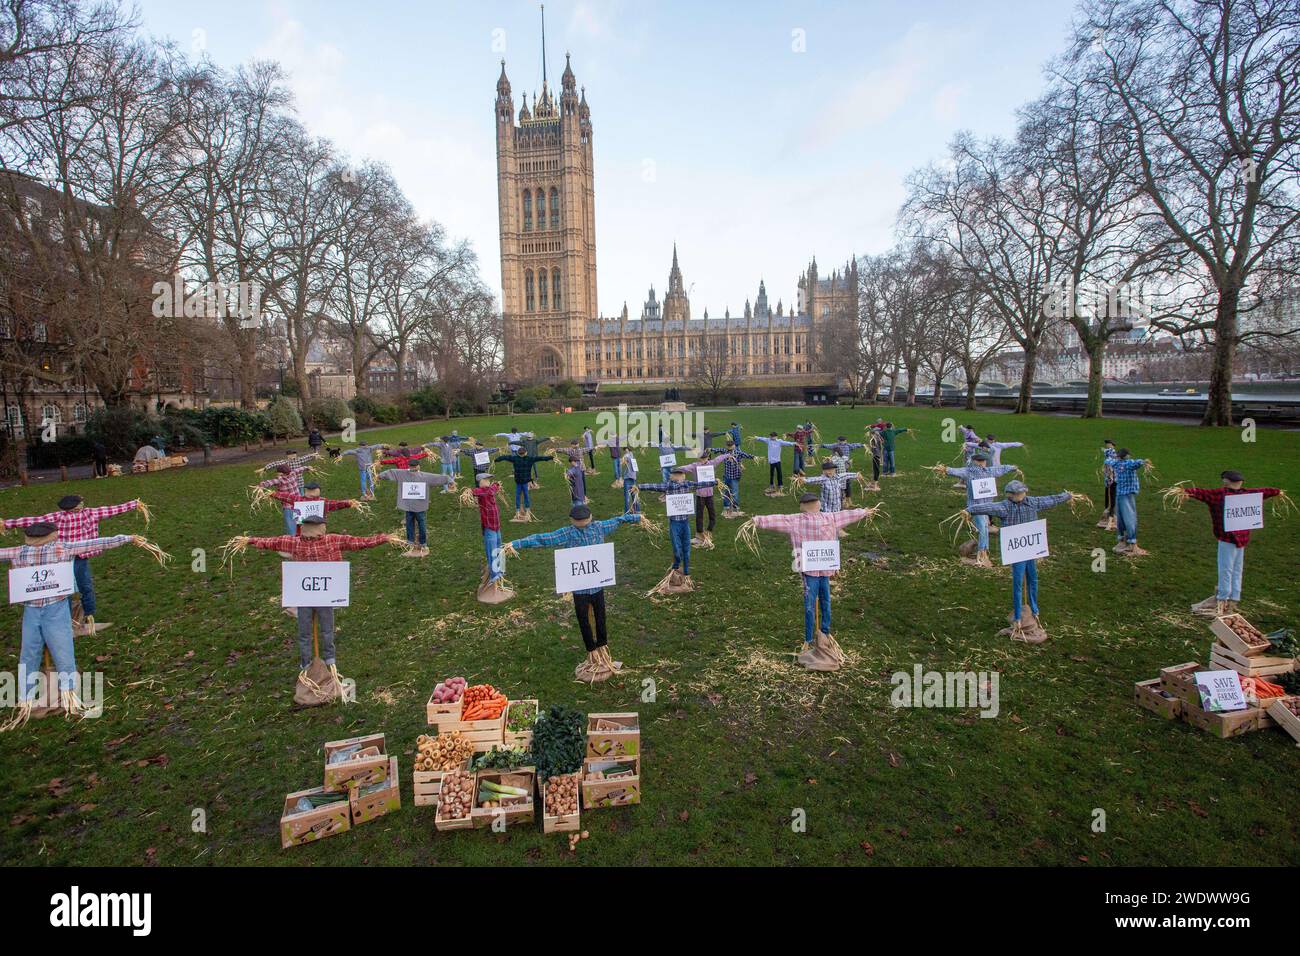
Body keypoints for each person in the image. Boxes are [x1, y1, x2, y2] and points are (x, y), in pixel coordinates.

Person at [0, 524, 161, 728]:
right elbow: (97, 542)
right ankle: (63, 696)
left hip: (35, 611)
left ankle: (29, 699)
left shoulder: (19, 552)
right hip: (53, 610)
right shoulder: (62, 548)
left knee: (30, 653)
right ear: (52, 535)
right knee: (62, 651)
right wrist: (128, 537)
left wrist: (128, 538)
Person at [231, 516, 401, 696]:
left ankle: (316, 668)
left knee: (308, 632)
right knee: (324, 631)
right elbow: (358, 543)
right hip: (318, 596)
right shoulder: (329, 540)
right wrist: (383, 538)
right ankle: (318, 668)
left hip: (310, 596)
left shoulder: (296, 543)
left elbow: (272, 542)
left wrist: (250, 541)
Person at [507, 505, 642, 682]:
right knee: (594, 619)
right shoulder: (597, 527)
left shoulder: (572, 531)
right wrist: (637, 518)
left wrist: (517, 543)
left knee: (590, 620)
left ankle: (597, 651)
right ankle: (595, 652)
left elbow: (543, 539)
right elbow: (618, 520)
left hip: (587, 587)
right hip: (590, 586)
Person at [747, 493, 876, 671]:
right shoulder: (824, 518)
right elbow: (848, 514)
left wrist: (757, 520)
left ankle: (820, 636)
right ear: (817, 504)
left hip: (819, 570)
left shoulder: (803, 520)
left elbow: (777, 519)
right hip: (815, 571)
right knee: (818, 602)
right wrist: (864, 512)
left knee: (815, 602)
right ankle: (814, 638)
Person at [3, 495, 145, 634]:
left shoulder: (88, 514)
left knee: (84, 586)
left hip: (79, 557)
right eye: (78, 506)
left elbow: (112, 509)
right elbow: (32, 521)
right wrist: (7, 524)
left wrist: (132, 505)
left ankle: (88, 619)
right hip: (62, 559)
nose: (81, 507)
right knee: (67, 588)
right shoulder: (59, 517)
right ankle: (70, 622)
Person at [966, 480, 1077, 644]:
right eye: (1015, 494)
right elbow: (987, 507)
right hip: (1016, 552)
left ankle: (1034, 610)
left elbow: (1050, 500)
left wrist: (1066, 496)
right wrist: (970, 510)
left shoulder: (1033, 502)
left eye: (1020, 493)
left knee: (1033, 579)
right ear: (1010, 495)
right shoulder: (1005, 507)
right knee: (1018, 583)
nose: (1018, 496)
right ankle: (1018, 617)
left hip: (1030, 549)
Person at [1173, 470, 1285, 618]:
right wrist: (1277, 492)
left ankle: (1222, 600)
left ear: (1225, 481)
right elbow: (1265, 492)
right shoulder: (1249, 495)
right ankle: (1233, 600)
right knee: (1237, 569)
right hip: (1242, 540)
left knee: (1225, 569)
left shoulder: (1220, 495)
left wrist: (1185, 491)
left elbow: (1202, 493)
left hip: (1227, 540)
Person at [931, 450, 1018, 567]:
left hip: (982, 507)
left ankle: (982, 554)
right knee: (983, 529)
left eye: (983, 461)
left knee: (984, 529)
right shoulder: (984, 471)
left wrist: (943, 469)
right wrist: (1012, 467)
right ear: (976, 462)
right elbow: (1002, 468)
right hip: (979, 508)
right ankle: (982, 556)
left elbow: (955, 471)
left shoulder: (974, 471)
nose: (982, 463)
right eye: (980, 461)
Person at [635, 466, 714, 591]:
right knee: (677, 549)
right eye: (676, 474)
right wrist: (640, 486)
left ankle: (686, 572)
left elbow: (701, 484)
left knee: (687, 548)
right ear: (672, 476)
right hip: (674, 524)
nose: (678, 476)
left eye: (680, 474)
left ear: (683, 476)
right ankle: (676, 565)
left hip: (685, 523)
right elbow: (654, 486)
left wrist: (714, 482)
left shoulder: (687, 484)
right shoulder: (669, 486)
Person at [376, 458, 454, 554]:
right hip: (419, 506)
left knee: (410, 523)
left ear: (409, 466)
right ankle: (422, 543)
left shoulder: (402, 474)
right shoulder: (424, 476)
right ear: (418, 466)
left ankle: (411, 541)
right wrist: (449, 480)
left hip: (408, 505)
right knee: (420, 524)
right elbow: (438, 478)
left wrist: (380, 476)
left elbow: (391, 472)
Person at [469, 472, 512, 603]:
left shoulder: (487, 490)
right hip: (490, 529)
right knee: (492, 553)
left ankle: (501, 575)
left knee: (499, 551)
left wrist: (496, 485)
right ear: (481, 481)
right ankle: (494, 580)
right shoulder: (483, 491)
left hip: (496, 527)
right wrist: (495, 485)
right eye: (487, 479)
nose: (489, 481)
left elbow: (494, 488)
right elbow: (482, 491)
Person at [679, 448, 732, 548]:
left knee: (712, 514)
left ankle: (708, 532)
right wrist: (676, 469)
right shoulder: (695, 466)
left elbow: (719, 458)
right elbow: (685, 468)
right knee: (699, 515)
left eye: (705, 458)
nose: (703, 460)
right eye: (702, 458)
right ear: (699, 458)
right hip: (700, 495)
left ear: (707, 457)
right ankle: (699, 534)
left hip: (710, 494)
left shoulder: (711, 463)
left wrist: (728, 455)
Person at [1109, 448, 1151, 556]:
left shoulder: (1116, 464)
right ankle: (1132, 544)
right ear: (1127, 456)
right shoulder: (1129, 464)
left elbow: (1108, 460)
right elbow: (1137, 463)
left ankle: (1121, 542)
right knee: (1130, 518)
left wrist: (1109, 453)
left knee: (1121, 519)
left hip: (1119, 495)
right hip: (1127, 496)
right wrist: (1144, 461)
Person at [801, 459, 861, 535]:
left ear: (835, 470)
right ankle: (825, 531)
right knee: (826, 520)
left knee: (837, 518)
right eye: (827, 470)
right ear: (823, 471)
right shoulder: (823, 479)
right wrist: (804, 480)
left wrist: (856, 475)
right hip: (827, 506)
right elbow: (814, 479)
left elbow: (846, 475)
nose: (830, 471)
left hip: (837, 505)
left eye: (832, 470)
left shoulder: (838, 477)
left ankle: (838, 530)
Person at [268, 482, 360, 531]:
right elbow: (335, 504)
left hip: (302, 528)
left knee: (301, 540)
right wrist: (347, 503)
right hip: (318, 528)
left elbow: (286, 497)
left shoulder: (298, 499)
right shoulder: (322, 501)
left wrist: (273, 494)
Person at [494, 448, 552, 521]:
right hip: (525, 481)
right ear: (526, 453)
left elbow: (505, 457)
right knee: (526, 495)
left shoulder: (514, 458)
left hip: (518, 481)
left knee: (517, 496)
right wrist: (550, 457)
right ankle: (527, 511)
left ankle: (518, 511)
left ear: (518, 453)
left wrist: (497, 459)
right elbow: (540, 458)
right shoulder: (530, 459)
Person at [258, 464, 311, 535]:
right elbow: (300, 469)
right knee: (300, 521)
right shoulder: (293, 474)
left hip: (288, 506)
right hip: (299, 503)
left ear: (281, 473)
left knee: (291, 524)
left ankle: (292, 538)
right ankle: (303, 535)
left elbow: (271, 482)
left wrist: (262, 484)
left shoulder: (280, 480)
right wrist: (307, 467)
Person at [718, 438, 755, 517]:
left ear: (734, 445)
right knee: (728, 492)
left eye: (732, 446)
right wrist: (710, 449)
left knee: (734, 493)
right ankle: (727, 508)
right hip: (727, 477)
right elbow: (717, 449)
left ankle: (734, 509)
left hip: (735, 476)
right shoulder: (724, 452)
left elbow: (746, 455)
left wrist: (754, 457)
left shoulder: (738, 453)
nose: (730, 448)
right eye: (729, 446)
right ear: (727, 446)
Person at [1097, 439, 1118, 531]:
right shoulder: (1109, 455)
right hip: (1108, 482)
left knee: (1111, 501)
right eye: (1107, 445)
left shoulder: (1112, 455)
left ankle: (1110, 522)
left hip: (1112, 482)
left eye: (1109, 444)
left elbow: (1110, 459)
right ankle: (1110, 520)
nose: (1107, 446)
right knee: (1108, 501)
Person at [620, 447, 640, 512]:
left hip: (627, 478)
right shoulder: (632, 455)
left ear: (626, 449)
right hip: (633, 478)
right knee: (634, 495)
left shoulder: (627, 455)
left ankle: (627, 512)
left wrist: (622, 461)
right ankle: (637, 511)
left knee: (627, 497)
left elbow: (622, 462)